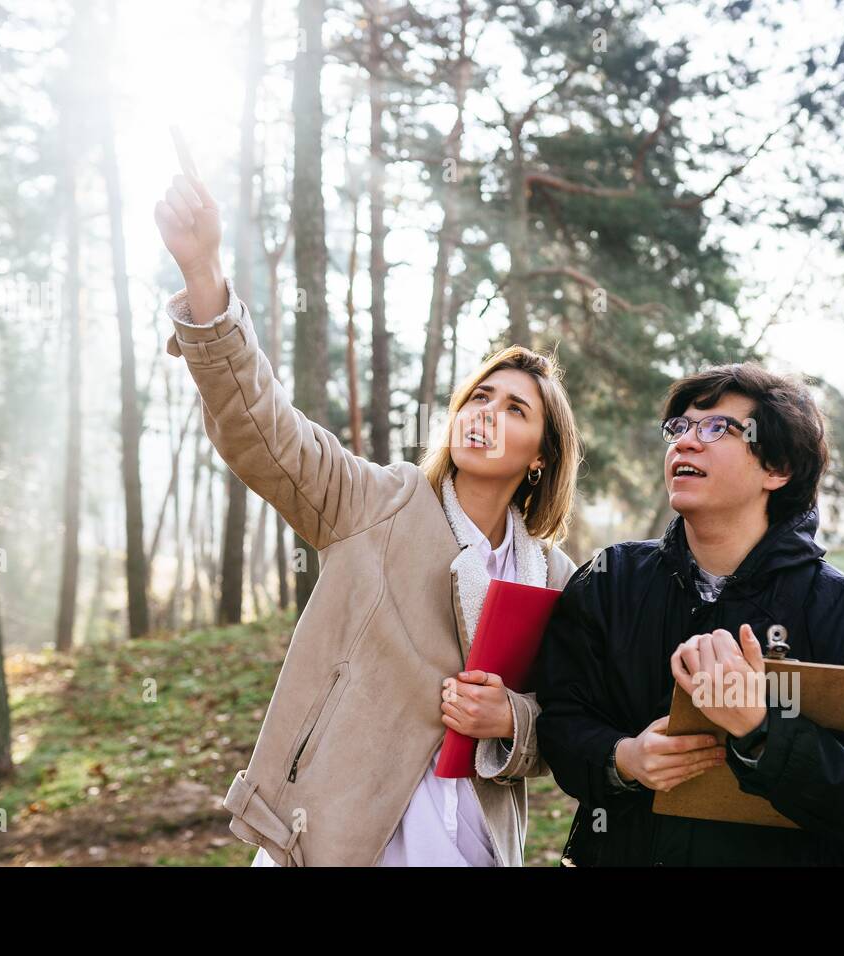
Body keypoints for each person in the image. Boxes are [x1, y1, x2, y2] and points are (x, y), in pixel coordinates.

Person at [153, 169, 582, 865]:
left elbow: (570, 723)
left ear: (541, 457)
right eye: (480, 396)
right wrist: (203, 272)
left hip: (473, 846)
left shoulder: (555, 578)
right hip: (336, 838)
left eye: (515, 410)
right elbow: (266, 433)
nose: (485, 415)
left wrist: (510, 718)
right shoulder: (377, 501)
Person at [535, 362, 844, 865]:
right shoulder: (610, 581)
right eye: (678, 428)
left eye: (716, 428)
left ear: (778, 468)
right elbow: (561, 718)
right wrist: (623, 758)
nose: (684, 442)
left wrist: (763, 731)